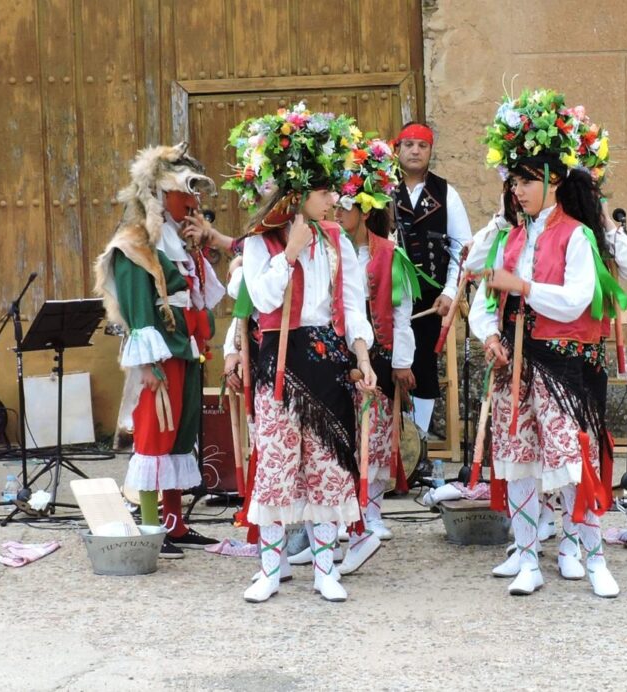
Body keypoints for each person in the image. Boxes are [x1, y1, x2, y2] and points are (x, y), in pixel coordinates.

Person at [470, 89, 627, 597]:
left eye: (525, 180)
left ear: (553, 181)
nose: (517, 190)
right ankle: (528, 561)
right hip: (515, 366)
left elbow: (578, 300)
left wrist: (526, 289)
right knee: (518, 461)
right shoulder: (511, 237)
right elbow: (483, 298)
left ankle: (593, 554)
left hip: (563, 367)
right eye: (513, 181)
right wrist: (490, 332)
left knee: (569, 462)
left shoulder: (578, 236)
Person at [224, 103, 377, 603]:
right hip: (279, 359)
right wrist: (288, 250)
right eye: (324, 190)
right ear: (296, 195)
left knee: (328, 464)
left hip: (326, 356)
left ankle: (326, 568)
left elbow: (354, 307)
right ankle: (270, 568)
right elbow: (264, 300)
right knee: (276, 462)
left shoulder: (338, 242)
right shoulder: (259, 243)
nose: (334, 198)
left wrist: (363, 355)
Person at [93, 142, 225, 558]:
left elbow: (201, 296)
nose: (193, 201)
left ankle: (175, 523)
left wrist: (199, 249)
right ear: (159, 194)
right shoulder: (135, 242)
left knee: (179, 435)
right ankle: (151, 527)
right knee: (153, 436)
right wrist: (146, 363)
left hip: (183, 347)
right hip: (158, 354)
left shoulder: (179, 239)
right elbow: (135, 305)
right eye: (185, 192)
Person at [334, 135, 418, 572]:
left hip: (378, 355)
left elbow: (402, 313)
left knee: (379, 432)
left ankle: (373, 510)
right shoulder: (327, 250)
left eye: (345, 206)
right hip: (336, 353)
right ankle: (346, 511)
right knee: (344, 432)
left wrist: (401, 361)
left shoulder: (390, 254)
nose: (337, 213)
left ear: (364, 211)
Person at [393, 123, 472, 437]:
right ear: (397, 148)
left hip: (430, 299)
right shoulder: (380, 189)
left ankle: (417, 444)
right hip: (388, 297)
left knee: (422, 366)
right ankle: (388, 444)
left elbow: (461, 249)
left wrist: (450, 292)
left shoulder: (445, 192)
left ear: (430, 151)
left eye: (422, 146)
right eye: (409, 144)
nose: (415, 151)